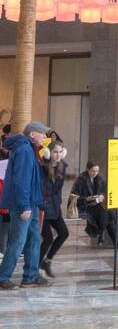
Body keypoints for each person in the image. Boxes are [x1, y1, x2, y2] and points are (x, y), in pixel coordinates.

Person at [0, 121, 52, 291]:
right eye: (42, 133)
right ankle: (3, 277)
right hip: (24, 204)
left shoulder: (31, 150)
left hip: (33, 203)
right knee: (17, 242)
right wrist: (24, 206)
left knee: (34, 240)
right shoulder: (24, 151)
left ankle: (30, 277)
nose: (45, 137)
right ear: (32, 134)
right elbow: (21, 181)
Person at [39, 140, 70, 277]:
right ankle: (35, 267)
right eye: (54, 152)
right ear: (48, 153)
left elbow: (58, 190)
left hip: (55, 208)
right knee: (47, 239)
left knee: (64, 233)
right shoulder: (41, 166)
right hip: (43, 208)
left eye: (59, 152)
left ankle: (47, 261)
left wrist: (59, 203)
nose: (57, 155)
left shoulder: (62, 167)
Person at [72, 161, 112, 244]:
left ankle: (109, 237)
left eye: (97, 171)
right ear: (87, 169)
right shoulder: (80, 179)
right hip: (84, 206)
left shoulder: (100, 179)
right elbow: (74, 197)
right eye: (93, 171)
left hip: (97, 205)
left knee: (109, 214)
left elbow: (106, 192)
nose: (95, 173)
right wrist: (88, 199)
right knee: (105, 212)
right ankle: (102, 233)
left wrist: (102, 196)